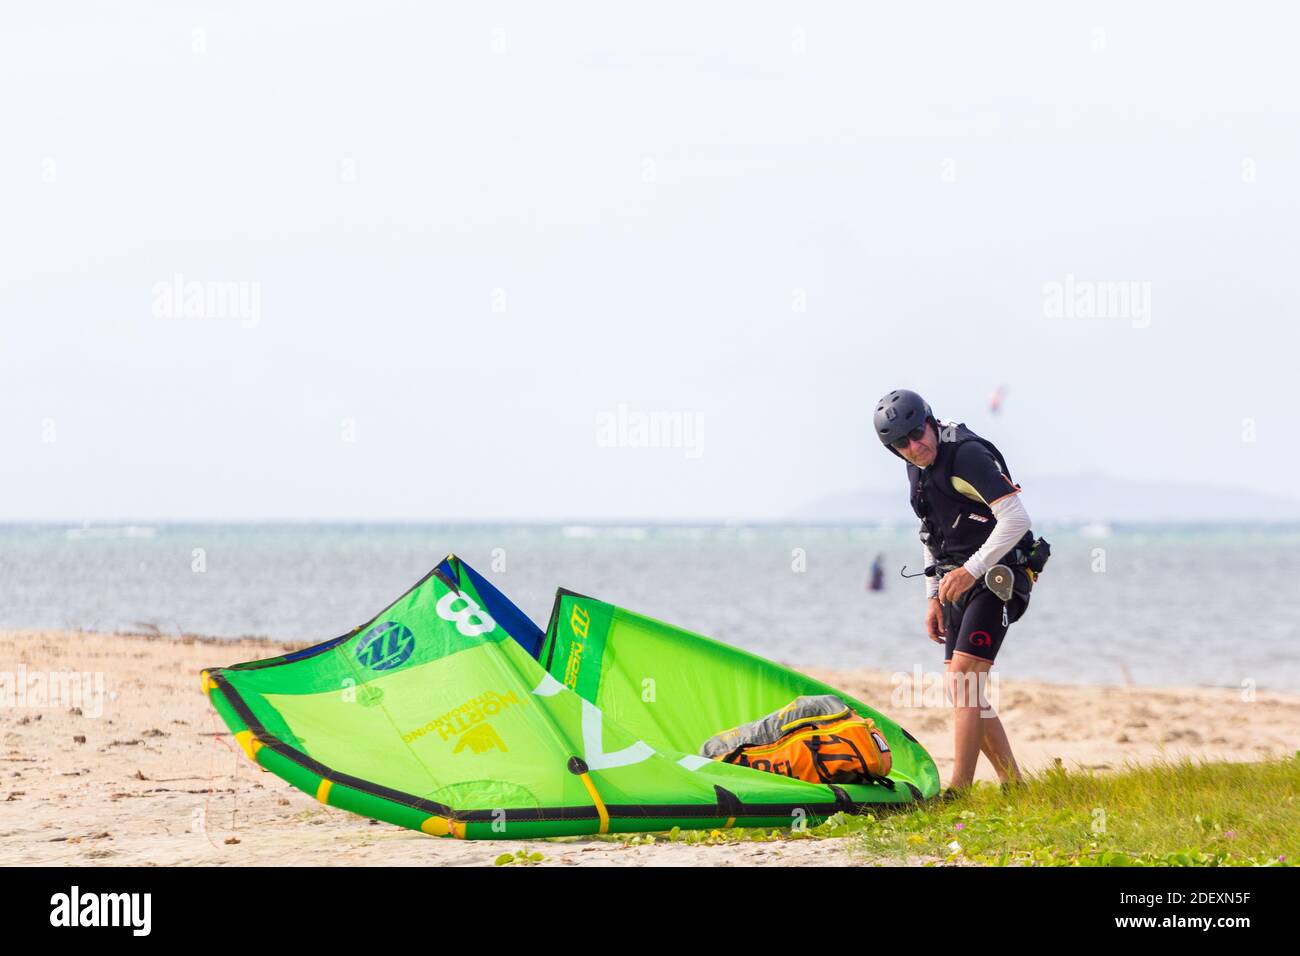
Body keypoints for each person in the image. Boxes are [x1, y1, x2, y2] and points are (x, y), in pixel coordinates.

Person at [873, 388, 1042, 795]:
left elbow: (1016, 518)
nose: (915, 447)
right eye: (902, 444)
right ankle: (1014, 787)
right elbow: (930, 533)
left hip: (1000, 573)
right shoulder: (913, 465)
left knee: (965, 682)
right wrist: (932, 595)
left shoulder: (966, 454)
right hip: (956, 579)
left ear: (929, 421)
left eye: (918, 434)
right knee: (963, 688)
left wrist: (971, 570)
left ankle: (959, 792)